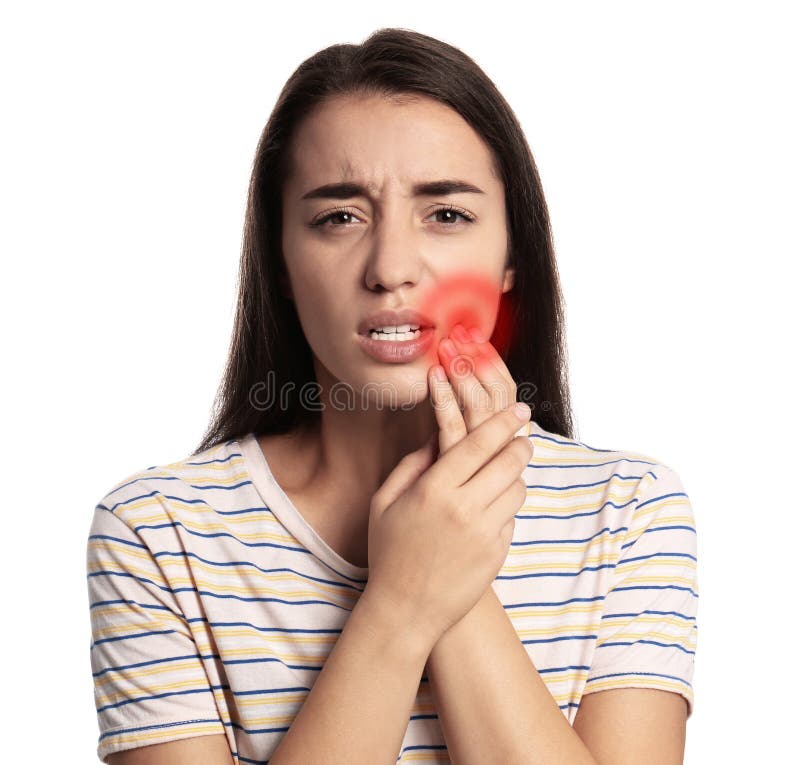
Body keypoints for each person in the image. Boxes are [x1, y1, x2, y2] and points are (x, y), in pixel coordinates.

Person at [86, 27, 698, 765]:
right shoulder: (157, 531)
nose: (391, 268)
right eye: (338, 216)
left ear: (512, 258)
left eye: (446, 214)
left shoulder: (629, 509)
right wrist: (402, 600)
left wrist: (454, 552)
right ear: (279, 258)